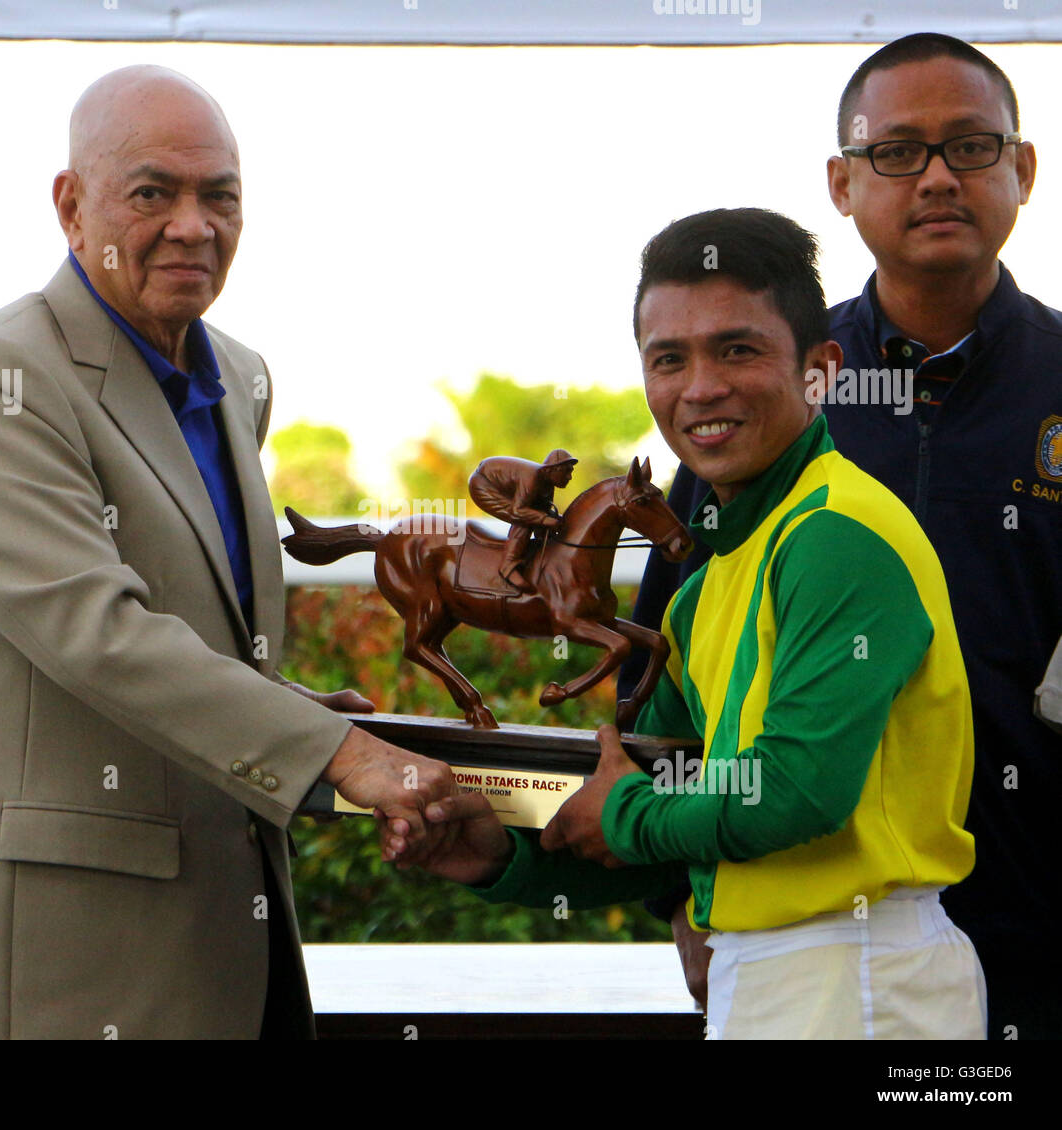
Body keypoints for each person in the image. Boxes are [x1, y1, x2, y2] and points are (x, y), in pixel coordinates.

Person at [0, 65, 460, 1040]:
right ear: (71, 207)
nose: (192, 224)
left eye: (220, 195)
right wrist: (341, 755)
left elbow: (188, 630)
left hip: (201, 953)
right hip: (28, 971)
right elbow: (93, 629)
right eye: (153, 192)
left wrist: (293, 718)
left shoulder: (240, 376)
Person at [394, 208, 986, 1039]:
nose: (700, 387)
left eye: (737, 349)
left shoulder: (836, 535)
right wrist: (497, 854)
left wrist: (624, 813)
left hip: (856, 978)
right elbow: (657, 819)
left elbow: (792, 793)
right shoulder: (703, 586)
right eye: (669, 359)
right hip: (789, 976)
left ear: (821, 371)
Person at [621, 33, 1062, 1039]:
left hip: (1039, 908)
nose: (938, 177)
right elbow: (665, 665)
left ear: (1023, 170)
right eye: (898, 152)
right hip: (811, 914)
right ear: (842, 183)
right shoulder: (757, 382)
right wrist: (681, 889)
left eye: (971, 147)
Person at [467, 450, 578, 591]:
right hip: (484, 485)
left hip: (502, 486)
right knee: (526, 519)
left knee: (538, 517)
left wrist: (555, 521)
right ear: (553, 469)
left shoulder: (547, 483)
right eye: (567, 471)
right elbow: (517, 511)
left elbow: (546, 511)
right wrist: (545, 520)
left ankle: (540, 557)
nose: (569, 477)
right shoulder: (532, 477)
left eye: (571, 472)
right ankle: (508, 567)